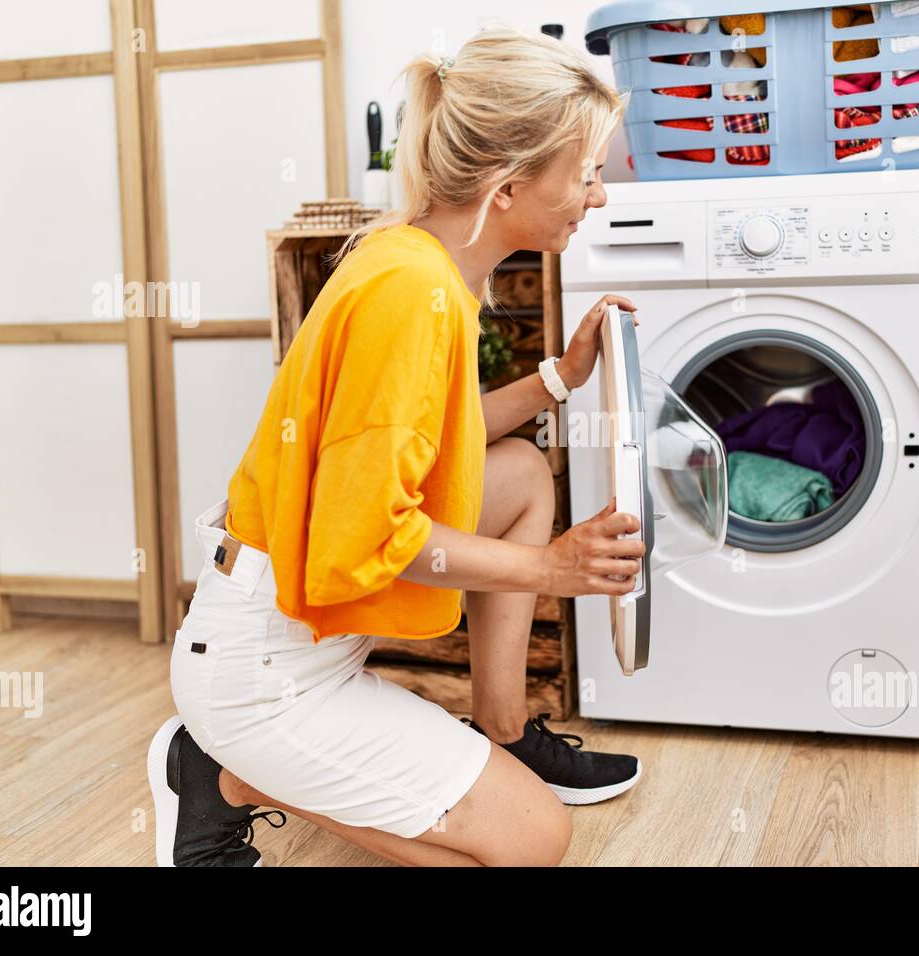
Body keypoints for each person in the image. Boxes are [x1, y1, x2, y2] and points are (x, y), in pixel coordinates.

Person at [146, 27, 645, 867]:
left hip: (297, 621)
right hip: (263, 670)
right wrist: (551, 570)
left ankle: (502, 729)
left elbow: (425, 443)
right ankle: (224, 775)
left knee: (520, 472)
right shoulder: (412, 294)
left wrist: (559, 377)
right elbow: (368, 537)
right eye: (586, 173)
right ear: (510, 182)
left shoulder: (425, 263)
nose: (595, 195)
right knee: (532, 845)